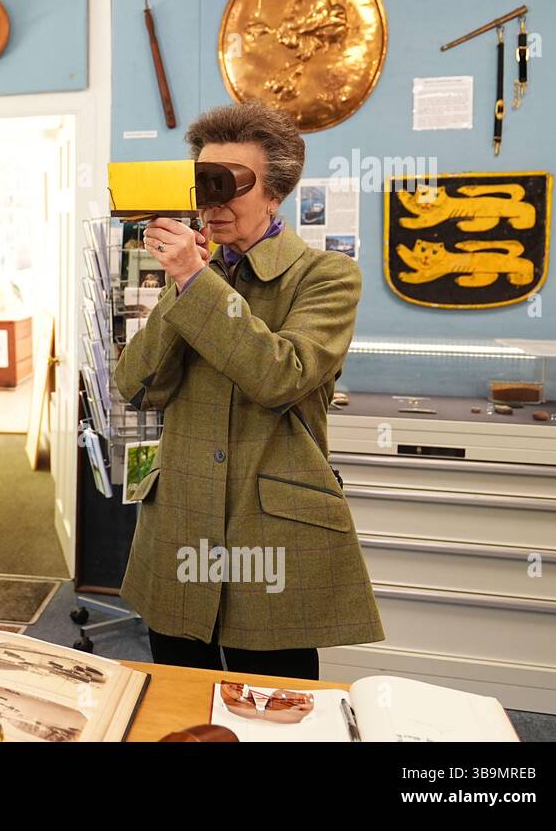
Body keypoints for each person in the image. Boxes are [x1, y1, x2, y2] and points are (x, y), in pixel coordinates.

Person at [114, 101, 382, 680]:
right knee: (181, 695)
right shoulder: (199, 274)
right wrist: (183, 285)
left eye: (230, 184)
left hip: (272, 527)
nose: (212, 203)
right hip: (185, 517)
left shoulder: (325, 276)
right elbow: (136, 386)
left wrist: (194, 280)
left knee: (278, 700)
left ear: (275, 191)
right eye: (202, 184)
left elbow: (279, 375)